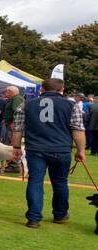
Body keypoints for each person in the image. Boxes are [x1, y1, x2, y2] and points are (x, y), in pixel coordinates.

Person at [12, 77, 87, 228]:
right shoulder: (72, 105)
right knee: (60, 182)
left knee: (35, 182)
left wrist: (16, 148)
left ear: (42, 89)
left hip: (36, 149)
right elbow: (77, 130)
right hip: (61, 149)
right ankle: (60, 215)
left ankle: (33, 218)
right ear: (62, 89)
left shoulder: (26, 104)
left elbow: (18, 129)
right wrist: (81, 151)